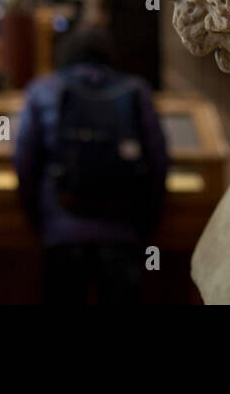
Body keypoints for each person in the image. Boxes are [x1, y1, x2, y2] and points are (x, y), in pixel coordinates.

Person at [13, 27, 169, 304]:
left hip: (61, 227)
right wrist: (147, 222)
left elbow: (25, 162)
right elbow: (158, 160)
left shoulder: (43, 90)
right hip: (121, 230)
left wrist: (38, 220)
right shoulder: (136, 90)